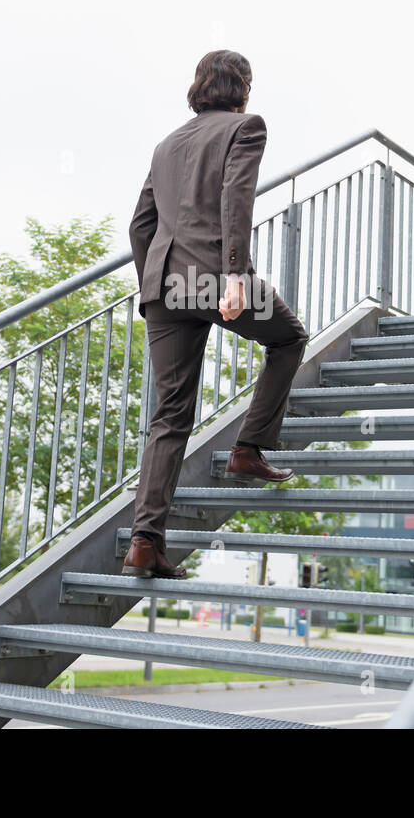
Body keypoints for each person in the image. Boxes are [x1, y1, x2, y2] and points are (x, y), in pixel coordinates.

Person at [122, 49, 309, 579]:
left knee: (170, 416)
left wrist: (152, 283)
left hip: (163, 285)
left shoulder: (167, 144)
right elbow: (236, 199)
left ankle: (144, 542)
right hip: (211, 277)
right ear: (243, 86)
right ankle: (248, 448)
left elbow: (140, 224)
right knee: (290, 340)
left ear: (199, 85)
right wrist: (232, 276)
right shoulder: (247, 127)